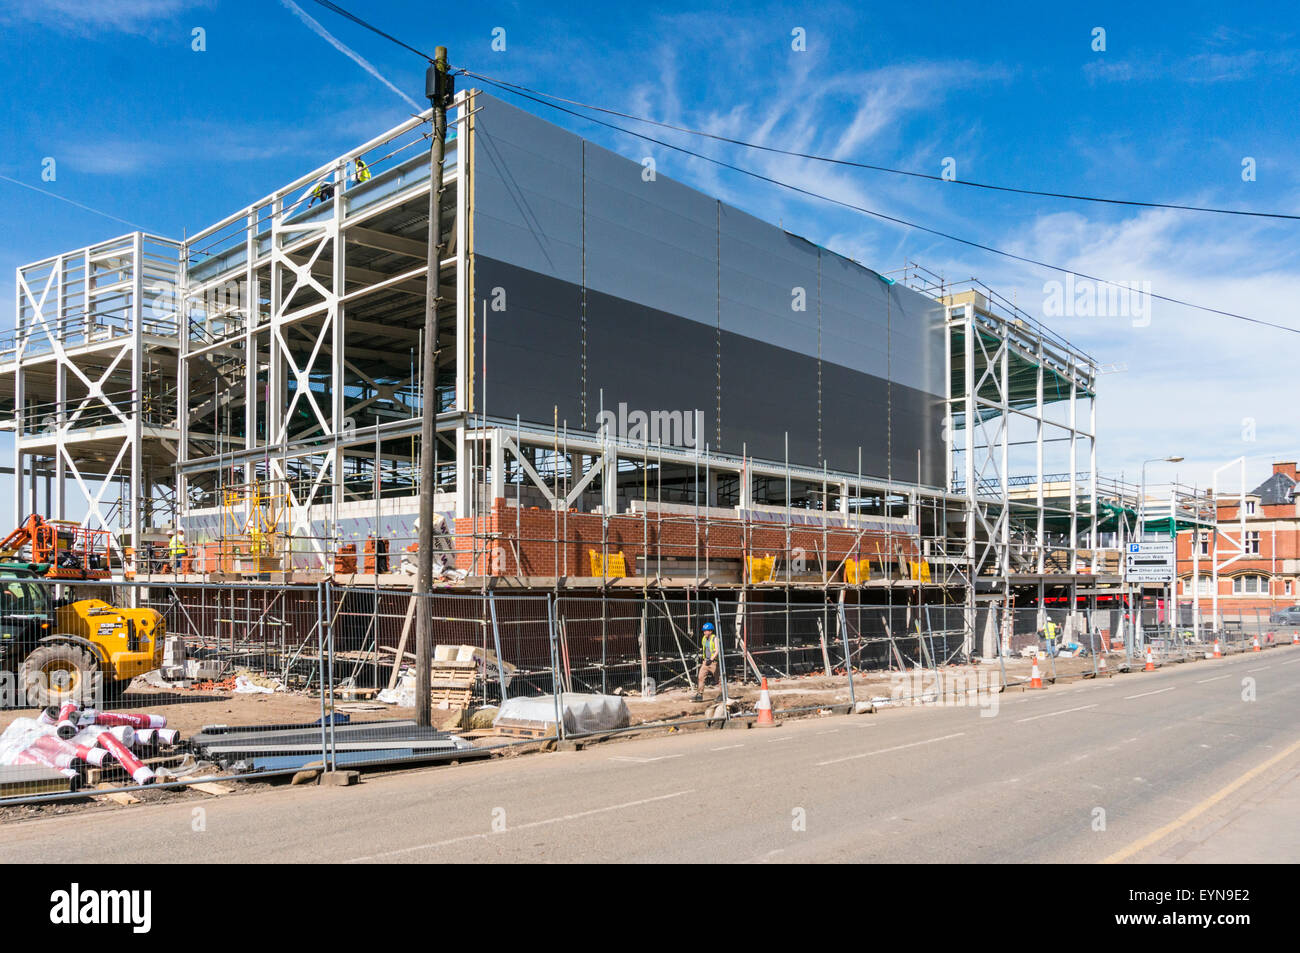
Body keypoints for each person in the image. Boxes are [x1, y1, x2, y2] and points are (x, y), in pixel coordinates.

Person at [695, 621, 720, 699]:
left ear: (711, 631)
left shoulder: (714, 639)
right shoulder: (704, 639)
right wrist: (701, 651)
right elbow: (705, 648)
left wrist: (711, 659)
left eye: (706, 631)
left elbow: (717, 650)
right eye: (704, 631)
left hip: (713, 662)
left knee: (719, 679)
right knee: (701, 677)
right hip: (706, 661)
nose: (704, 632)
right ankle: (699, 695)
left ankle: (722, 694)